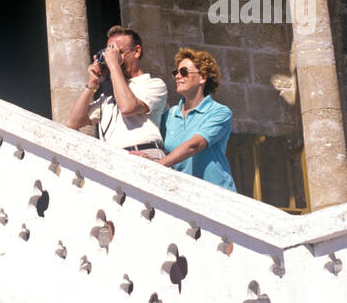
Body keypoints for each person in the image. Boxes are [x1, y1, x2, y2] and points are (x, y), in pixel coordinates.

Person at [65, 26, 168, 158]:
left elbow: (127, 107)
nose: (112, 57)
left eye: (118, 51)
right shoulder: (107, 97)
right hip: (114, 159)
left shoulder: (154, 84)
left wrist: (113, 65)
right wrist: (93, 83)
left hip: (144, 154)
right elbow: (73, 123)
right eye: (109, 52)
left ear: (136, 51)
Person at [155, 46, 237, 190]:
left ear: (202, 77)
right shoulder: (170, 115)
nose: (177, 76)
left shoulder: (220, 112)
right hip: (184, 194)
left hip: (217, 195)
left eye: (184, 72)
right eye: (176, 72)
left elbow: (194, 145)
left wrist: (158, 165)